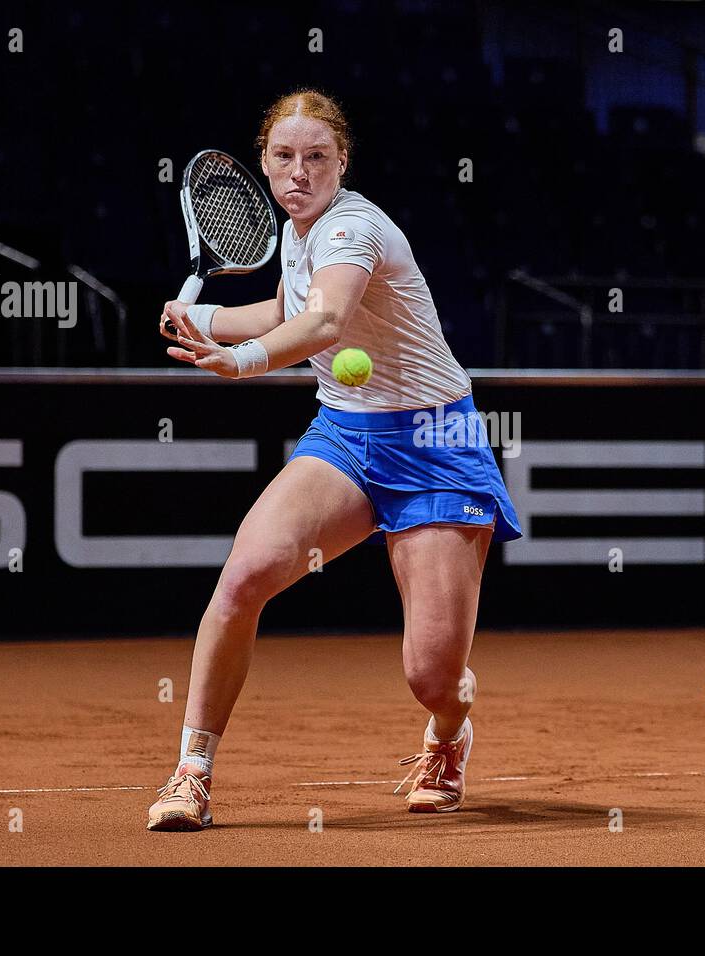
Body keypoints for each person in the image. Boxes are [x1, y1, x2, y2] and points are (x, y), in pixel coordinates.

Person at [146, 89, 522, 830]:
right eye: (283, 158)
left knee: (432, 674)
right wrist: (204, 318)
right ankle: (191, 772)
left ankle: (450, 731)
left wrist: (242, 361)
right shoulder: (297, 230)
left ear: (341, 162)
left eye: (316, 157)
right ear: (264, 163)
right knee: (246, 574)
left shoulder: (353, 225)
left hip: (437, 446)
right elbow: (288, 309)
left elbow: (324, 321)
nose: (299, 172)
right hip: (347, 436)